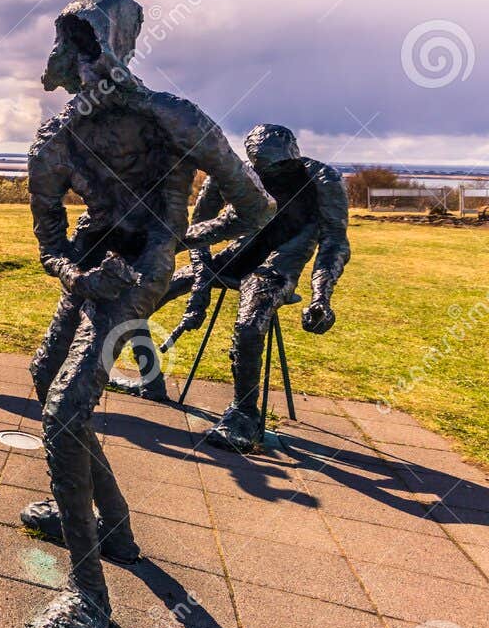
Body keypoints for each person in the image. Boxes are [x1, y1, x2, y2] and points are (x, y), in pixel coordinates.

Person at [20, 0, 270, 628]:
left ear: (117, 45)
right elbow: (46, 236)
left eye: (89, 40)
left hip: (140, 274)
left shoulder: (171, 117)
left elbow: (255, 207)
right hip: (96, 268)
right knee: (45, 376)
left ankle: (89, 597)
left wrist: (181, 243)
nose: (77, 57)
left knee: (65, 414)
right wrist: (73, 274)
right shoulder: (56, 138)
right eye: (70, 43)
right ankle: (119, 528)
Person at [114, 123, 349, 451]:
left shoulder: (322, 179)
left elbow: (335, 240)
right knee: (142, 295)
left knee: (250, 326)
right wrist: (201, 276)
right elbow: (198, 229)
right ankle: (150, 379)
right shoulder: (235, 174)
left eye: (279, 168)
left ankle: (244, 415)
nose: (270, 176)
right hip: (231, 259)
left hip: (277, 267)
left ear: (294, 155)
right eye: (263, 169)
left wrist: (321, 296)